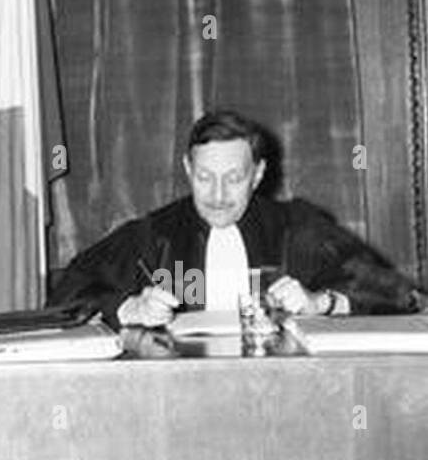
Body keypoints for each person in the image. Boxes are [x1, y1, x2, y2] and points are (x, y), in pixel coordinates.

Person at [49, 109, 423, 329]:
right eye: (204, 177)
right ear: (187, 168)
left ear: (258, 174)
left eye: (234, 178)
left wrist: (321, 303)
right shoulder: (152, 235)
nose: (217, 195)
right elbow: (67, 292)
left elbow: (401, 295)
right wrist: (128, 308)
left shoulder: (297, 226)